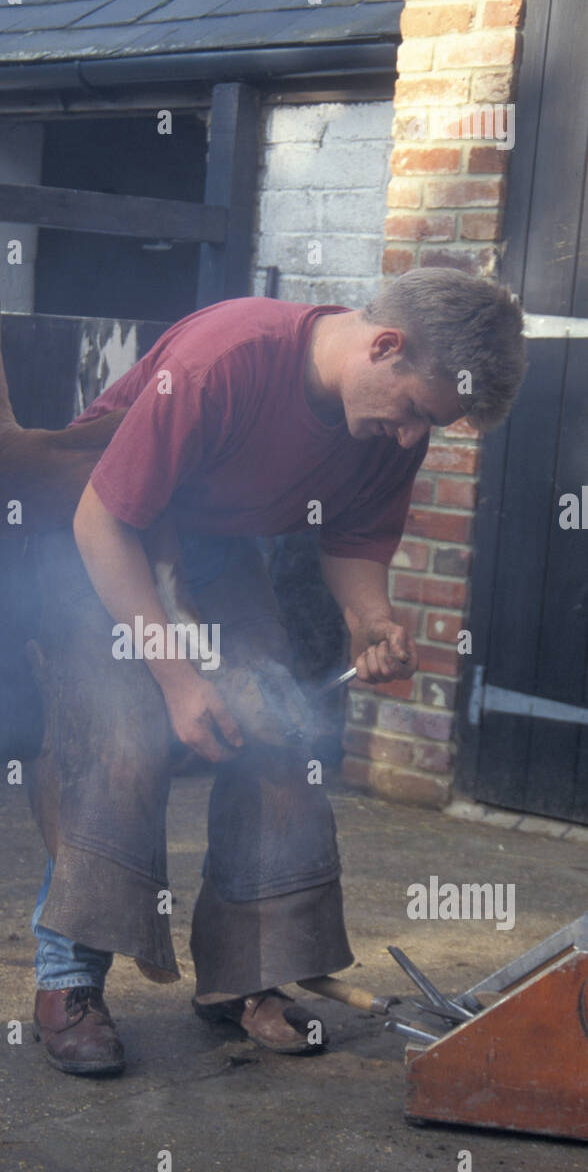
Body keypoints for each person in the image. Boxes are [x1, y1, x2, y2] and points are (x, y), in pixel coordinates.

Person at [26, 267, 525, 1076]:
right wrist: (180, 682)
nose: (411, 438)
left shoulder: (393, 421)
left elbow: (357, 540)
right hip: (104, 530)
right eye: (413, 414)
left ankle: (241, 979)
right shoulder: (225, 360)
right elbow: (102, 520)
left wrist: (373, 620)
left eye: (426, 426)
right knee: (123, 740)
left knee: (283, 733)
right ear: (385, 346)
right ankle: (68, 980)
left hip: (216, 547)